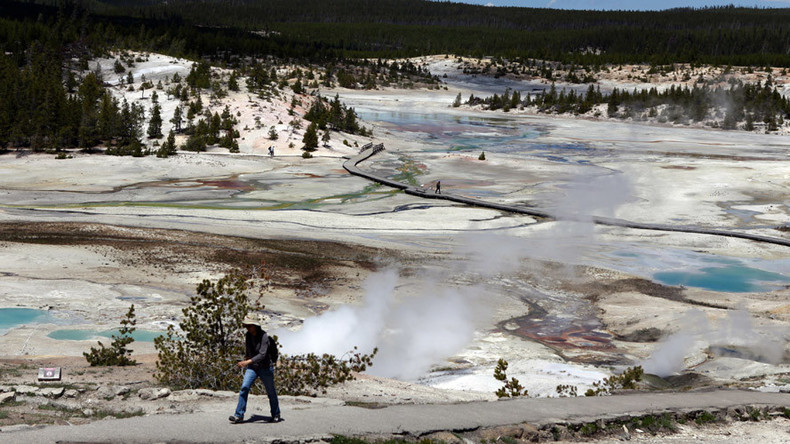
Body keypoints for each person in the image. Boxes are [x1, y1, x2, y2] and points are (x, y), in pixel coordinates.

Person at [229, 313, 281, 424]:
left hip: (265, 368)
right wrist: (247, 359)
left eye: (249, 325)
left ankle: (276, 414)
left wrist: (247, 362)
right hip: (253, 367)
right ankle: (239, 415)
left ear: (255, 325)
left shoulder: (264, 336)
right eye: (246, 325)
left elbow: (262, 354)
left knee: (270, 392)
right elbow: (248, 350)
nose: (247, 327)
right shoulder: (248, 335)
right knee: (244, 388)